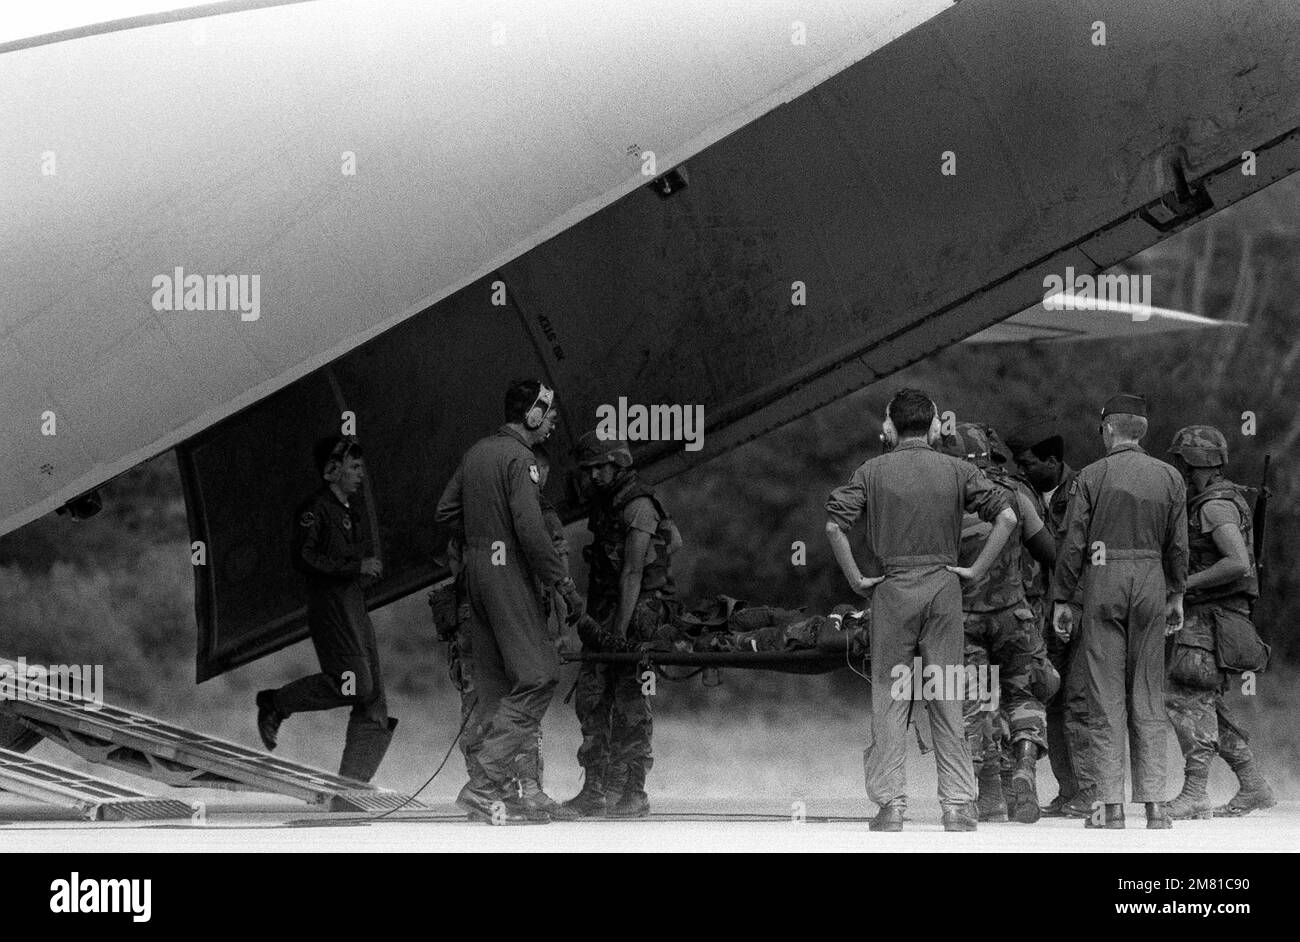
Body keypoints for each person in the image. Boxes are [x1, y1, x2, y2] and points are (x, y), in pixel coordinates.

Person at [825, 388, 1017, 832]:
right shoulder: (958, 469)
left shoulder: (871, 471)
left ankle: (891, 806)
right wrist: (973, 570)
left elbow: (835, 525)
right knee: (947, 693)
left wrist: (856, 579)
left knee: (891, 698)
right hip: (943, 587)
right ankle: (956, 807)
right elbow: (1007, 517)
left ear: (889, 427)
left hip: (891, 590)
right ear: (934, 427)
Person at [434, 380, 584, 824]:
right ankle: (483, 783)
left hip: (476, 574)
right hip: (506, 573)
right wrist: (562, 584)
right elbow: (530, 530)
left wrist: (482, 525)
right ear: (531, 415)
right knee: (539, 676)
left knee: (497, 688)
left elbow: (445, 511)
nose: (554, 418)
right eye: (548, 411)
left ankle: (497, 793)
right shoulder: (520, 459)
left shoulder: (477, 452)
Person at [1049, 394, 1188, 829]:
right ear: (1142, 430)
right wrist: (1176, 593)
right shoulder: (1170, 477)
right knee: (1147, 691)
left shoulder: (1091, 476)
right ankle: (1156, 806)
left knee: (1104, 694)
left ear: (1109, 429)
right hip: (1150, 578)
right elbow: (1178, 546)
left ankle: (1110, 806)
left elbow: (1074, 543)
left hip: (1103, 575)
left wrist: (1062, 597)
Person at [256, 436, 397, 785]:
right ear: (332, 471)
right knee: (356, 686)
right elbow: (304, 557)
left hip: (353, 604)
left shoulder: (350, 510)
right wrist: (355, 568)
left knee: (374, 700)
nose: (360, 474)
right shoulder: (315, 509)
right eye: (353, 467)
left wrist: (361, 574)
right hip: (331, 608)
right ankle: (276, 701)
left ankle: (351, 788)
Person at [563, 432, 682, 819]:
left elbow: (633, 572)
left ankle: (632, 790)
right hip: (607, 606)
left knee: (631, 698)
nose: (595, 475)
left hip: (637, 607)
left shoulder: (638, 504)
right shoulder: (607, 500)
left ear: (618, 462)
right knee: (593, 695)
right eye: (589, 469)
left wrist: (619, 633)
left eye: (601, 467)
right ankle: (595, 789)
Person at [944, 423, 1058, 824]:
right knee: (1024, 694)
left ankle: (991, 793)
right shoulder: (1015, 493)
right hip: (1015, 614)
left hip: (965, 618)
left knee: (978, 702)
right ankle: (1025, 768)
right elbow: (1049, 552)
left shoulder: (945, 497)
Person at [1164, 425, 1275, 818]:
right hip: (1220, 619)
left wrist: (1181, 585)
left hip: (1209, 620)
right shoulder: (1222, 499)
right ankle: (1254, 785)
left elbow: (1236, 562)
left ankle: (1195, 791)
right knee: (1204, 703)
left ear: (1190, 462)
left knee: (1185, 697)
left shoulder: (1214, 506)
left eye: (1180, 459)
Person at [1007, 417, 1093, 817]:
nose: (1022, 472)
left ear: (1053, 461)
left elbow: (1074, 556)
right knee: (1050, 698)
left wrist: (1071, 605)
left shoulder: (1081, 492)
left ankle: (1088, 790)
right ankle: (1068, 790)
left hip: (1073, 608)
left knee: (1078, 701)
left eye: (1029, 465)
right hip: (1041, 611)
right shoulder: (1029, 494)